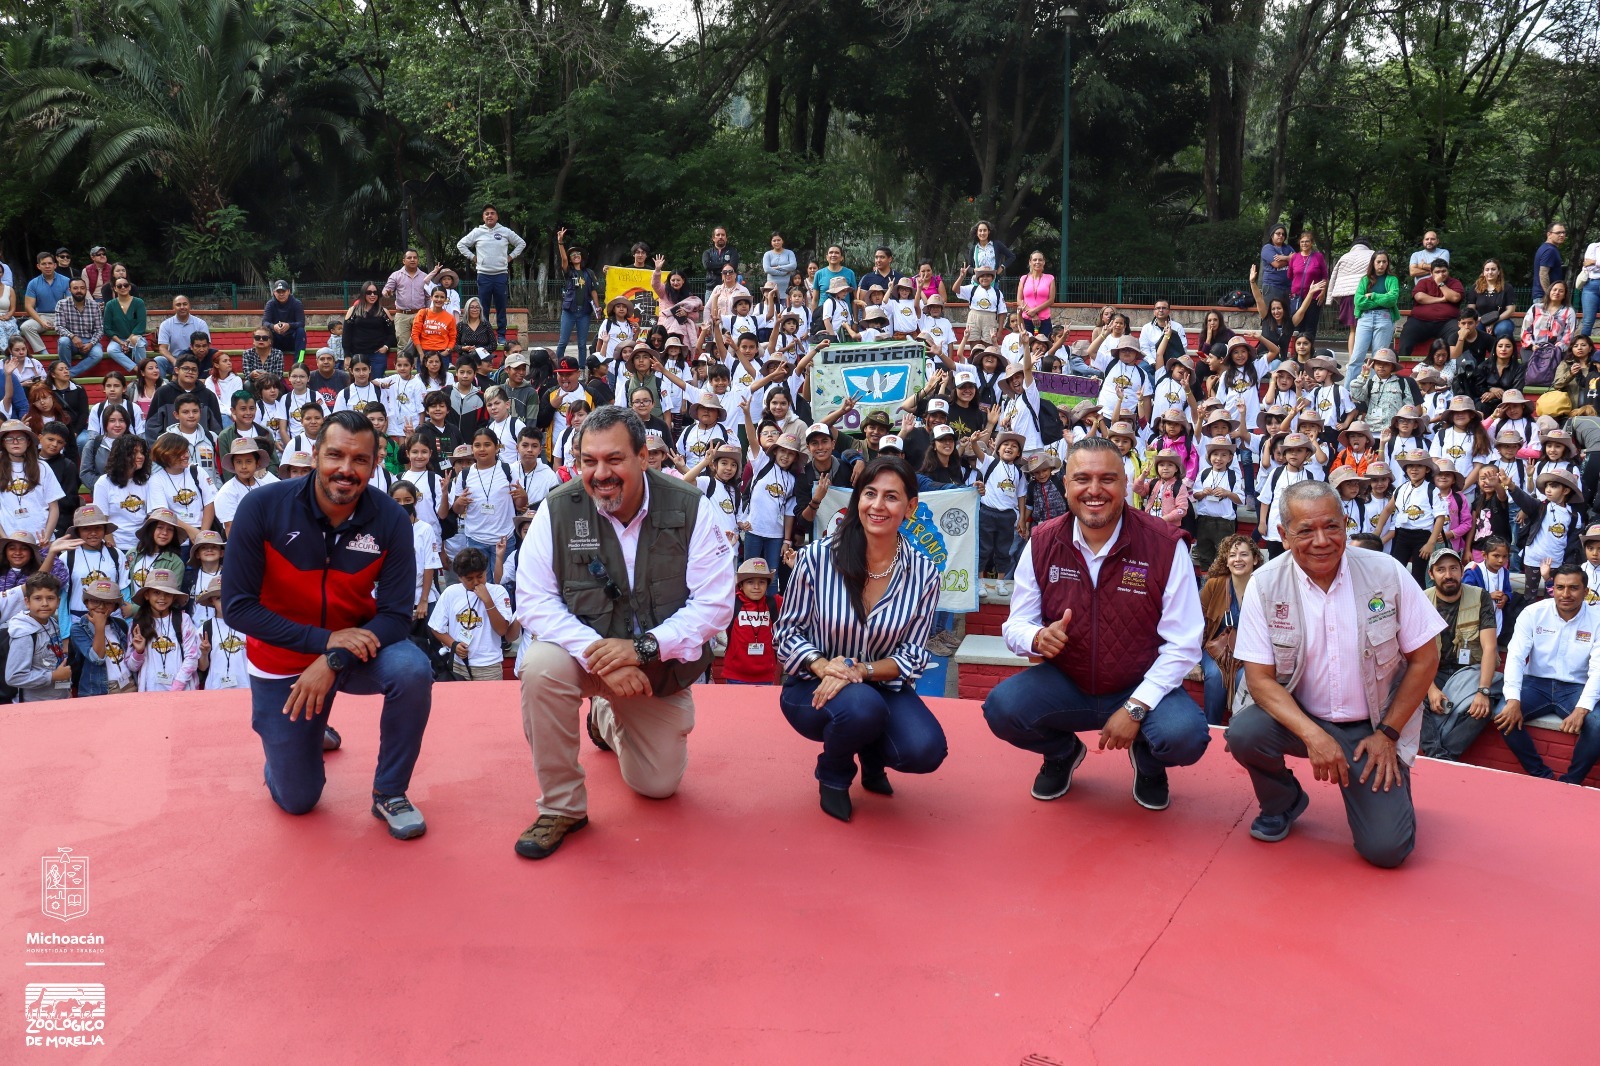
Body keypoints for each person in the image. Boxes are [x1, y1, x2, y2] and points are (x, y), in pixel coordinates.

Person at [512, 405, 736, 860]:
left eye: (614, 459)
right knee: (539, 666)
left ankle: (605, 719)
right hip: (585, 657)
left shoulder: (693, 508)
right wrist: (601, 656)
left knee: (657, 785)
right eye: (588, 461)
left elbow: (715, 606)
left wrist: (640, 649)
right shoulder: (557, 510)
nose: (600, 473)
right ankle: (562, 806)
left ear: (643, 456)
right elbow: (533, 602)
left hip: (655, 665)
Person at [220, 410, 434, 839]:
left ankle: (389, 792)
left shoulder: (390, 518)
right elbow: (237, 608)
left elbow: (395, 615)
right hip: (282, 660)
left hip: (353, 650)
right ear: (315, 455)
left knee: (413, 669)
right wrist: (322, 642)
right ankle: (298, 740)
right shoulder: (262, 507)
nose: (346, 469)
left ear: (376, 465)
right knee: (298, 800)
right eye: (335, 455)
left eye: (360, 460)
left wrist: (331, 656)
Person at [982, 438, 1211, 811]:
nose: (1094, 490)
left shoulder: (1165, 545)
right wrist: (1037, 637)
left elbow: (1184, 642)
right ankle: (1062, 752)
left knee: (1183, 737)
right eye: (1082, 478)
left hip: (1138, 682)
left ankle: (1149, 763)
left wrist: (1137, 706)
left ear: (1125, 483)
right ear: (1065, 484)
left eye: (1107, 479)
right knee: (1002, 709)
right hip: (1067, 683)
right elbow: (1015, 624)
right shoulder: (1041, 541)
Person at [1228, 480, 1445, 867]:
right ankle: (1283, 801)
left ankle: (1389, 796)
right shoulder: (1265, 584)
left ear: (1346, 523)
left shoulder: (1387, 572)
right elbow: (1259, 679)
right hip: (1302, 719)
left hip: (1374, 728)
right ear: (1283, 534)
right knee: (1245, 733)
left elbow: (1425, 659)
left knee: (1387, 851)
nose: (1322, 540)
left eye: (1331, 527)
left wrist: (1389, 734)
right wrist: (1313, 736)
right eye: (1305, 531)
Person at [774, 457, 946, 821]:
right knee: (860, 708)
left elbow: (914, 654)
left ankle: (871, 753)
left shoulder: (925, 573)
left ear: (911, 507)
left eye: (891, 497)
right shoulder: (817, 558)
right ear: (857, 500)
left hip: (880, 685)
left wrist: (861, 671)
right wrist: (825, 666)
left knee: (925, 750)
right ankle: (834, 774)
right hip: (812, 687)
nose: (878, 506)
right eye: (870, 494)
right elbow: (787, 634)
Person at [1496, 564, 1600, 783]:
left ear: (1585, 590)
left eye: (1573, 588)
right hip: (1535, 683)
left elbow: (1599, 669)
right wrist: (1513, 700)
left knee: (1598, 723)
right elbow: (1515, 656)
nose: (1565, 594)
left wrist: (1582, 709)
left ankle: (1571, 782)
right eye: (1560, 587)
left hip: (1576, 687)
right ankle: (1540, 776)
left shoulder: (1597, 618)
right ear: (1552, 587)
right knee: (1503, 713)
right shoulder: (1534, 613)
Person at [1419, 545, 1502, 761]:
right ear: (1431, 574)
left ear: (1462, 570)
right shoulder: (1421, 600)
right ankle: (1437, 753)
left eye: (1454, 568)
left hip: (1469, 670)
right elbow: (1414, 654)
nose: (1448, 575)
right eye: (1441, 569)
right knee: (1405, 696)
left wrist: (1482, 692)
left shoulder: (1480, 596)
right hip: (1431, 670)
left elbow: (1490, 648)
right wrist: (1430, 689)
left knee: (1485, 706)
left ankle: (1443, 756)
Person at [429, 546, 518, 680]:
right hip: (459, 664)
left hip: (489, 665)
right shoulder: (451, 593)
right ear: (459, 577)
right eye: (469, 579)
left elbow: (502, 630)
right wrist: (453, 645)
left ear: (485, 572)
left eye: (480, 576)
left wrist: (488, 601)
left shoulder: (498, 592)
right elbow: (436, 627)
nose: (476, 582)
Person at [1200, 534, 1259, 725]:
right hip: (1216, 648)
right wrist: (1191, 661)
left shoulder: (1264, 586)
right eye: (1232, 555)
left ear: (1255, 558)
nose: (1238, 560)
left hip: (1251, 651)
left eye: (1244, 554)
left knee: (1244, 677)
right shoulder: (1214, 585)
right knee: (1215, 676)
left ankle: (1240, 731)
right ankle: (1211, 727)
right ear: (1226, 560)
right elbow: (1195, 622)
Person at [457, 203, 526, 343]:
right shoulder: (477, 232)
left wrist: (510, 257)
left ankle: (501, 336)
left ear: (497, 216)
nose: (490, 215)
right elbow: (461, 245)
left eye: (492, 213)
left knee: (501, 307)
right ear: (483, 217)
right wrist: (473, 257)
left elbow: (521, 243)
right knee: (484, 308)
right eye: (487, 213)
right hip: (483, 275)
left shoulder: (505, 231)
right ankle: (485, 336)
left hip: (501, 275)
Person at [5, 571, 70, 701]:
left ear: (58, 602)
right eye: (38, 598)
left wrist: (66, 689)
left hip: (58, 698)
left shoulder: (52, 622)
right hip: (34, 706)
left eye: (50, 598)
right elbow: (14, 677)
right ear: (27, 602)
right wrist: (52, 677)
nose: (45, 603)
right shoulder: (24, 634)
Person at [1397, 259, 1463, 357]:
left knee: (1457, 333)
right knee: (1408, 332)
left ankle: (1453, 366)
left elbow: (1455, 298)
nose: (1441, 274)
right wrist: (1442, 299)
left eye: (1444, 271)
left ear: (1448, 271)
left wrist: (1440, 283)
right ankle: (1402, 366)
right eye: (1437, 272)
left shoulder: (1455, 283)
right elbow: (1419, 297)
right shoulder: (1423, 282)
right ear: (1431, 273)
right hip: (1420, 321)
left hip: (1447, 322)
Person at [383, 249, 440, 359]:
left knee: (422, 342)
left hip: (420, 314)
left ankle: (420, 368)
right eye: (409, 258)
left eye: (415, 257)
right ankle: (403, 370)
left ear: (418, 260)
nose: (412, 260)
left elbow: (428, 297)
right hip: (402, 314)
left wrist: (428, 313)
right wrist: (387, 293)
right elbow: (386, 291)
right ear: (404, 261)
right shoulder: (396, 275)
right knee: (402, 343)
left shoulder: (424, 276)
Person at [554, 229, 601, 362]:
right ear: (570, 258)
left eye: (578, 254)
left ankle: (581, 368)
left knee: (582, 344)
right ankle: (557, 366)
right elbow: (563, 258)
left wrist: (597, 308)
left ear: (582, 257)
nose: (576, 255)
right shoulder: (569, 271)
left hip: (584, 311)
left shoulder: (589, 273)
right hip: (569, 310)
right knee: (563, 342)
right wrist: (560, 242)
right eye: (573, 254)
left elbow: (593, 291)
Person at [20, 252, 69, 356]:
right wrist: (41, 321)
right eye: (44, 264)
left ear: (55, 265)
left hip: (62, 316)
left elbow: (69, 304)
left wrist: (60, 320)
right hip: (42, 316)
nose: (47, 266)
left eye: (50, 263)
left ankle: (67, 352)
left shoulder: (66, 281)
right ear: (38, 266)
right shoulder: (33, 283)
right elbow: (29, 306)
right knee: (25, 327)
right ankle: (44, 352)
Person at [54, 276, 105, 375]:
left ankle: (69, 374)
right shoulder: (62, 304)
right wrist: (72, 336)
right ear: (70, 290)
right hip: (70, 341)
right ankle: (66, 370)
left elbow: (99, 329)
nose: (79, 291)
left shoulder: (94, 305)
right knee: (63, 341)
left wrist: (91, 343)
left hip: (89, 341)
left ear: (86, 289)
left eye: (82, 288)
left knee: (98, 354)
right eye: (75, 288)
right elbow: (59, 326)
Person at [1531, 221, 1568, 304]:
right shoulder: (1550, 250)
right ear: (1549, 234)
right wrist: (1549, 295)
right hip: (1544, 297)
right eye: (1558, 233)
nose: (1562, 235)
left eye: (1563, 232)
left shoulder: (1548, 248)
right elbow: (1543, 274)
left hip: (1544, 296)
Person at [702, 226, 739, 295]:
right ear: (713, 238)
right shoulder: (707, 253)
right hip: (711, 289)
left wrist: (713, 266)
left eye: (723, 235)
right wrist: (726, 264)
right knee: (709, 306)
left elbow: (733, 266)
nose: (720, 237)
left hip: (729, 289)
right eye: (718, 235)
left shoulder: (733, 252)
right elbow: (707, 266)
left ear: (726, 238)